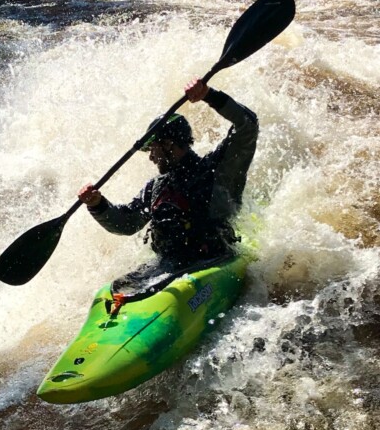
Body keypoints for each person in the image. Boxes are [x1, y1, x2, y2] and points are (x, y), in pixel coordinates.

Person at [78, 78, 259, 315]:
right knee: (110, 293)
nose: (151, 157)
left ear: (170, 144)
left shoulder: (218, 170)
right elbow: (127, 223)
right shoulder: (155, 187)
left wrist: (208, 95)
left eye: (153, 149)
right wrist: (98, 205)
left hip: (212, 262)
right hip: (166, 267)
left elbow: (247, 124)